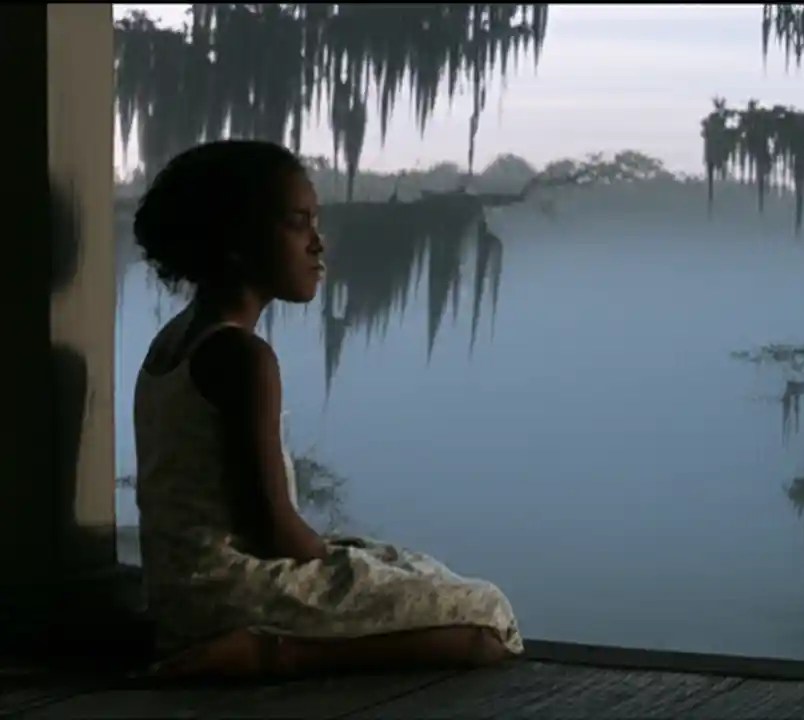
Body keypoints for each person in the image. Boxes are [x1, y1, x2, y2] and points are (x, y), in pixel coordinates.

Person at [130, 140, 522, 678]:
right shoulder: (243, 358)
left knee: (401, 565)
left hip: (179, 594)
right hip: (231, 597)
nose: (318, 243)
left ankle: (256, 641)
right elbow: (270, 531)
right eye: (297, 223)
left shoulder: (172, 343)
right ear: (236, 241)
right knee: (489, 621)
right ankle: (268, 652)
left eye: (315, 221)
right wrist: (335, 560)